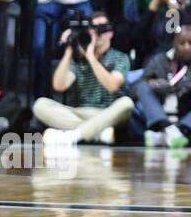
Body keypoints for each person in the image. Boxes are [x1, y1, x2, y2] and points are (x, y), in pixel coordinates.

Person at [35, 11, 134, 147]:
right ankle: (96, 133)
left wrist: (91, 57)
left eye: (101, 28)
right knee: (40, 104)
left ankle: (73, 135)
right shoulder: (78, 60)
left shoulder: (120, 58)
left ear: (110, 33)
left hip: (109, 113)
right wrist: (69, 49)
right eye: (92, 28)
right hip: (82, 112)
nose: (96, 33)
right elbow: (59, 85)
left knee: (127, 103)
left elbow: (112, 86)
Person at [135, 25, 191, 148]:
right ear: (174, 43)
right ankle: (166, 129)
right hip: (162, 110)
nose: (187, 47)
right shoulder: (159, 60)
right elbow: (135, 90)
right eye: (182, 43)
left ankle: (180, 131)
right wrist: (155, 83)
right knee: (143, 86)